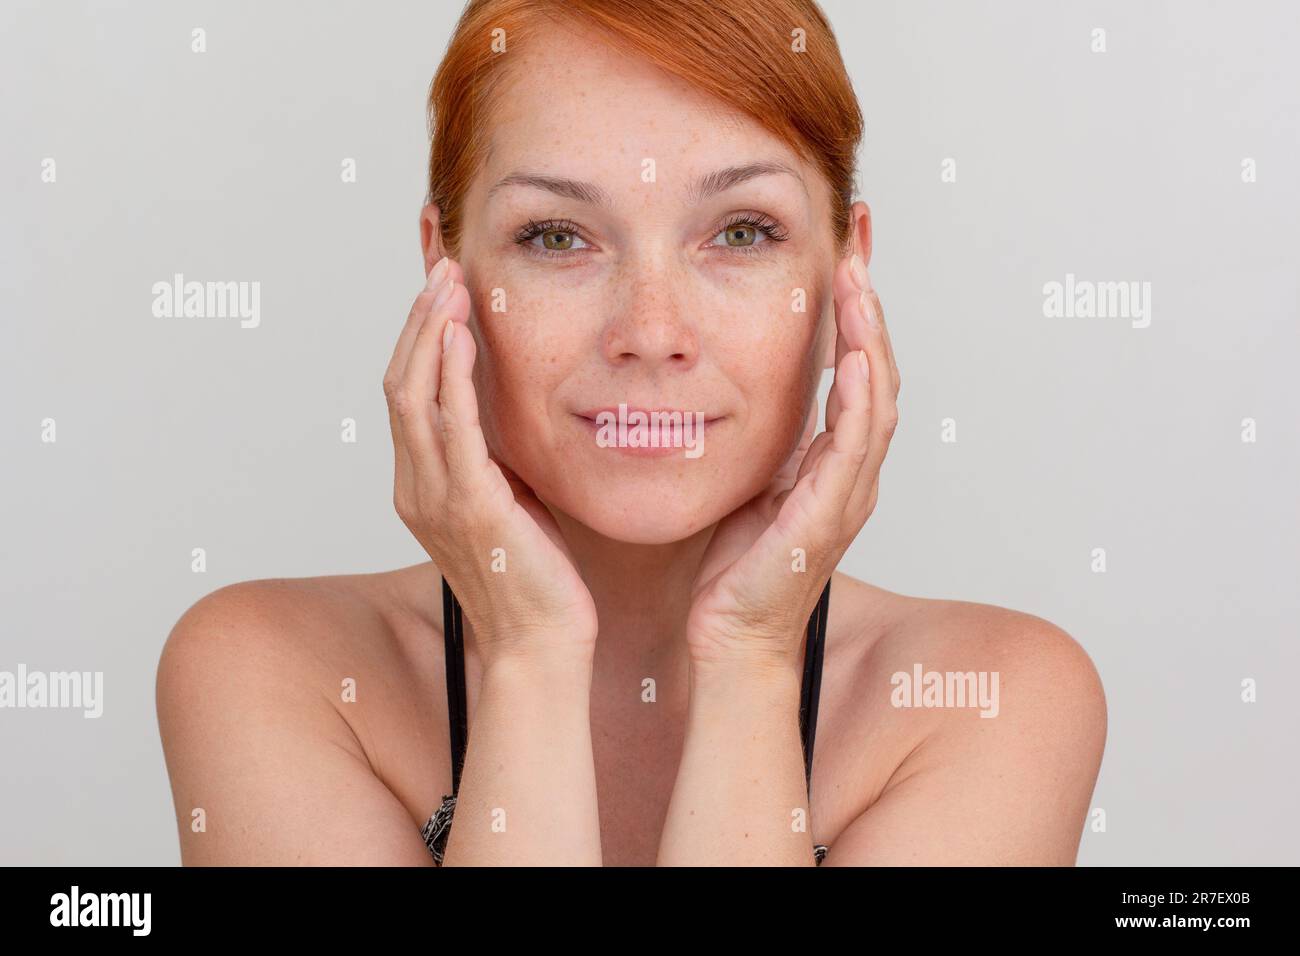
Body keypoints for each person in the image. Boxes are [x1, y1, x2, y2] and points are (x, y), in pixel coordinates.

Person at [157, 0, 1106, 866]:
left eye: (740, 232)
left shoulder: (996, 700)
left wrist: (753, 657)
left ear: (844, 274)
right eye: (557, 237)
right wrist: (528, 653)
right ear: (444, 275)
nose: (651, 333)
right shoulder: (271, 673)